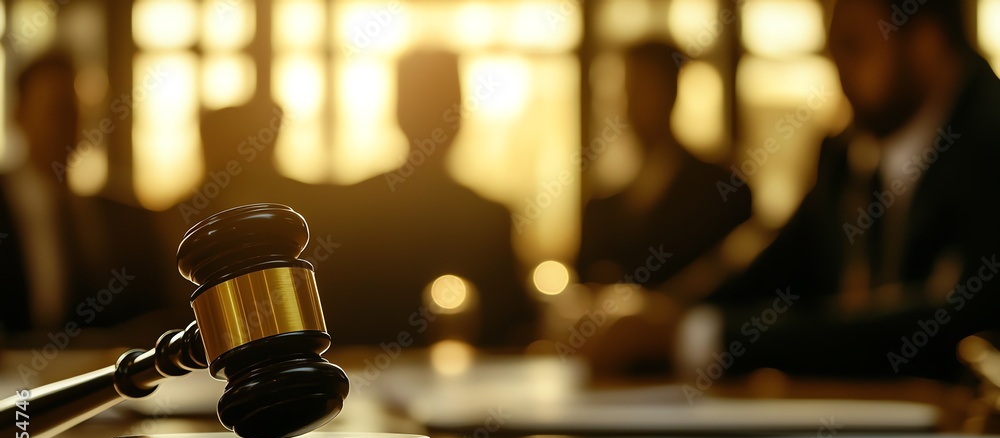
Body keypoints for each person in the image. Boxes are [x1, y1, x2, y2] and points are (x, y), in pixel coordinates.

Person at [603, 0, 1000, 381]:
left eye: (854, 45)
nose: (838, 72)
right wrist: (661, 311)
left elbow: (955, 324)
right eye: (832, 51)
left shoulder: (990, 141)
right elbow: (780, 263)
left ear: (927, 43)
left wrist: (703, 336)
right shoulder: (845, 152)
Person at [305, 50, 533, 347]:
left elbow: (329, 325)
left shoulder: (352, 208)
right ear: (458, 114)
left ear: (399, 112)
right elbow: (515, 331)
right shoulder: (488, 216)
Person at [0, 51, 173, 344]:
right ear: (19, 116)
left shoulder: (126, 220)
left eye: (75, 112)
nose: (68, 126)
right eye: (56, 111)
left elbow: (156, 317)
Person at [576, 41, 752, 286]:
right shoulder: (601, 204)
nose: (630, 105)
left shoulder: (722, 191)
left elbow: (734, 277)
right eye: (627, 91)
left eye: (643, 90)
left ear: (672, 94)